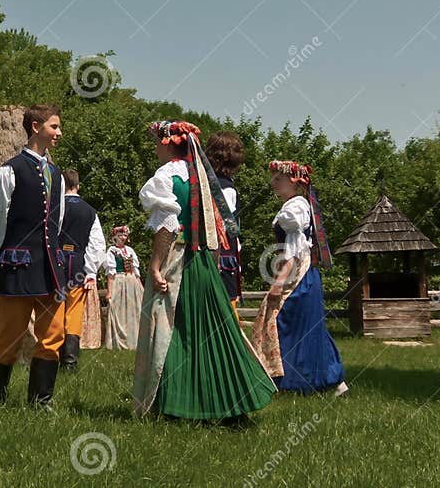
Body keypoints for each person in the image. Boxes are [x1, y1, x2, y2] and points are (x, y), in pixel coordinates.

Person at [133, 121, 275, 421]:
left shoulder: (167, 175)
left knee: (171, 332)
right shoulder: (202, 176)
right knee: (211, 330)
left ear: (169, 143)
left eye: (157, 142)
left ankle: (174, 406)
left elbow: (167, 225)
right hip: (204, 262)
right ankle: (227, 405)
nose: (155, 148)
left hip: (177, 260)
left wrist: (156, 265)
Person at [0, 104, 66, 406]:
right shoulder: (10, 170)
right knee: (9, 335)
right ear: (36, 126)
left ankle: (41, 400)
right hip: (16, 267)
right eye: (54, 127)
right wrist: (3, 249)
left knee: (53, 334)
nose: (59, 133)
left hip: (50, 268)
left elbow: (58, 220)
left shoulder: (56, 174)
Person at [251, 161, 349, 396]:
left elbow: (294, 253)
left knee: (277, 321)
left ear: (295, 183)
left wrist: (277, 284)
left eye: (278, 179)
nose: (273, 183)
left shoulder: (293, 209)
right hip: (308, 275)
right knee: (308, 326)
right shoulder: (300, 205)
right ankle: (330, 381)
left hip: (298, 276)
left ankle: (286, 380)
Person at [57, 169, 107, 371]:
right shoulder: (90, 211)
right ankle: (70, 362)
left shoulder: (54, 208)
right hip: (77, 264)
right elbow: (97, 245)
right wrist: (91, 271)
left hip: (56, 264)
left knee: (55, 310)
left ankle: (51, 357)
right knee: (74, 312)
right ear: (77, 185)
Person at [205, 131, 246, 324]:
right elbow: (227, 227)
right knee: (225, 310)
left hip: (212, 252)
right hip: (222, 256)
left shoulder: (208, 184)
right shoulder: (225, 188)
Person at [104, 225, 142, 350]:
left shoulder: (130, 250)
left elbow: (136, 271)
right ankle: (118, 341)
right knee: (119, 308)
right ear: (115, 237)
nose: (123, 238)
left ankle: (134, 339)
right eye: (120, 236)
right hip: (119, 281)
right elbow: (111, 272)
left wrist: (141, 286)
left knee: (134, 309)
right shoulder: (112, 251)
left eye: (125, 235)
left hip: (131, 281)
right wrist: (109, 291)